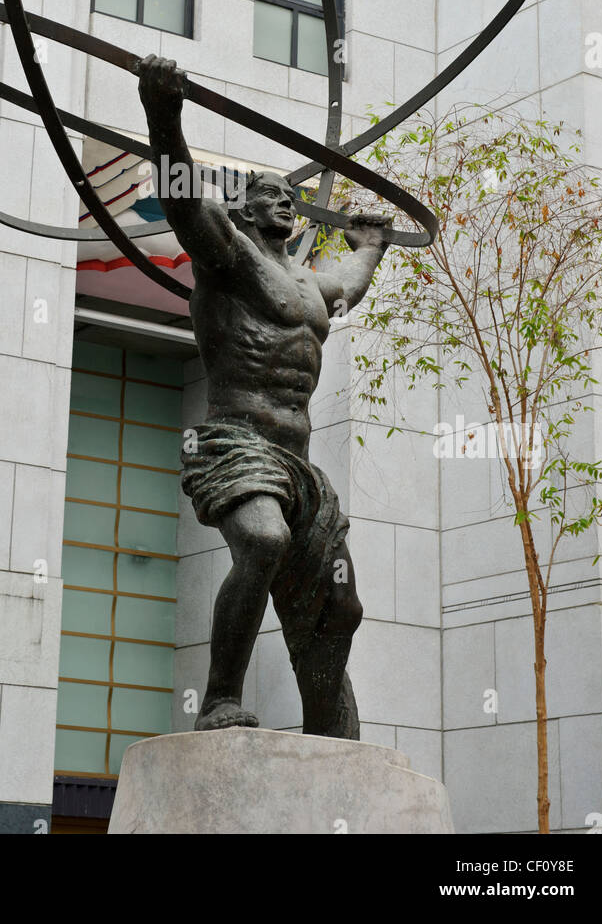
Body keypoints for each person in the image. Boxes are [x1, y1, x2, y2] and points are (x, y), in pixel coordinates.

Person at [137, 54, 391, 736]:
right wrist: (163, 115)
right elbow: (183, 200)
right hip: (234, 442)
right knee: (261, 538)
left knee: (342, 604)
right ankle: (220, 698)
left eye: (289, 193)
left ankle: (329, 736)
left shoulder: (311, 285)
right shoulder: (228, 257)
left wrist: (371, 242)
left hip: (297, 460)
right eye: (268, 191)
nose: (283, 197)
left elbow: (354, 279)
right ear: (243, 209)